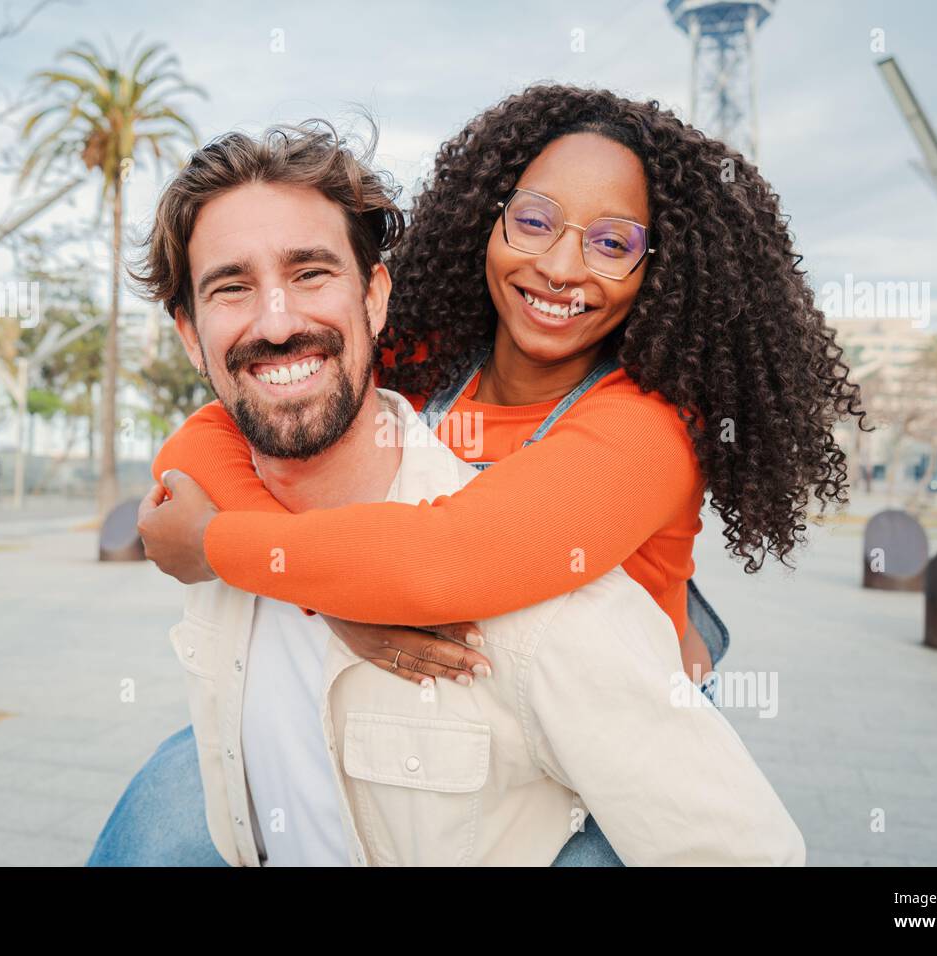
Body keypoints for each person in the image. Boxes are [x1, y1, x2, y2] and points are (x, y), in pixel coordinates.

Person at [94, 84, 865, 865]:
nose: (562, 267)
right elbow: (218, 426)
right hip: (448, 706)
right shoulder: (432, 356)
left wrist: (226, 547)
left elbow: (444, 558)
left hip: (601, 743)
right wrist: (327, 597)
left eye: (613, 243)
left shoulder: (648, 429)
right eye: (533, 221)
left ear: (660, 270)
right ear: (487, 220)